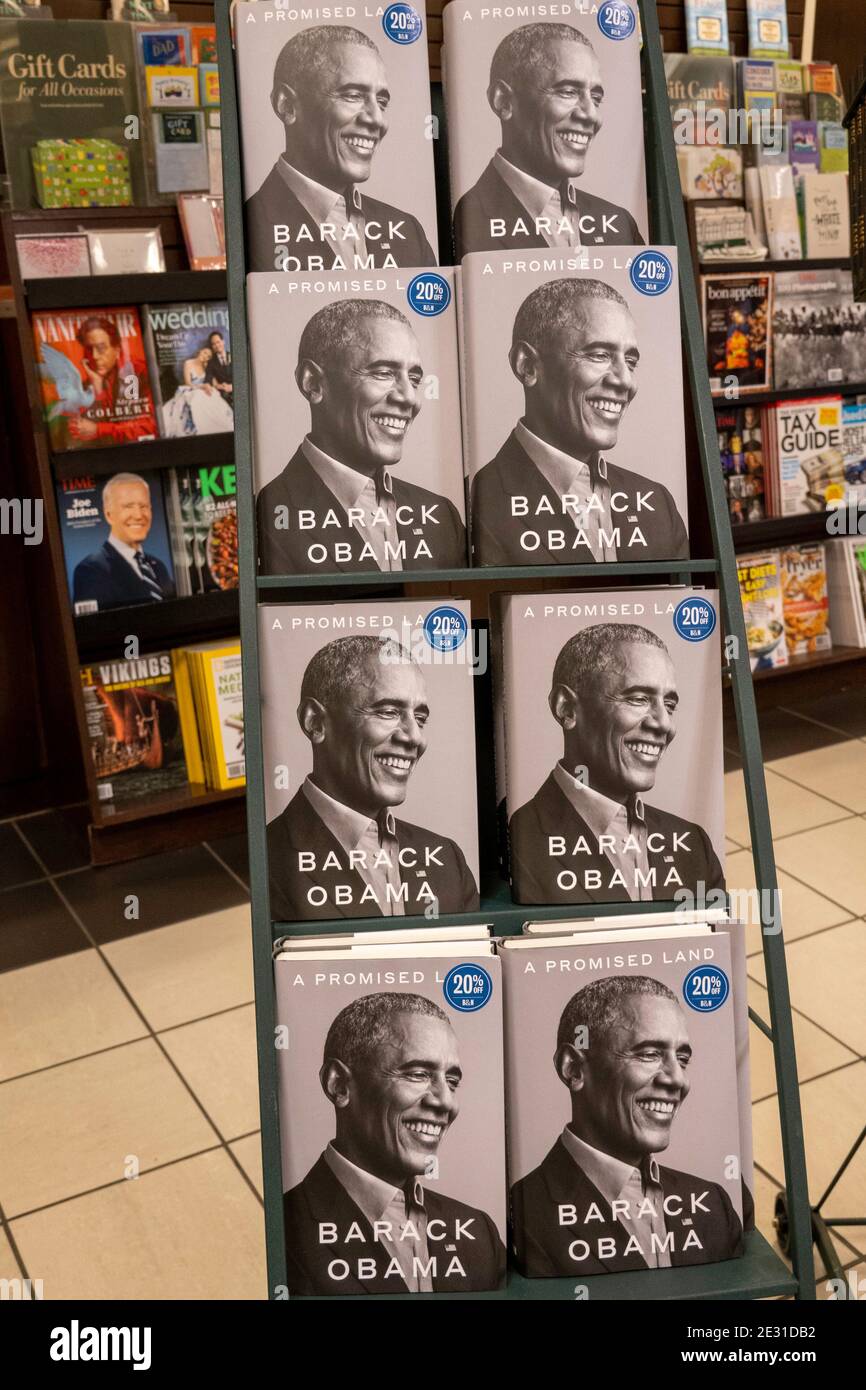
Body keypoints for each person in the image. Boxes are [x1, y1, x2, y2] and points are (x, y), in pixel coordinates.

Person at [511, 976, 743, 1275]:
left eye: (682, 1059)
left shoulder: (714, 1201)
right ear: (574, 1069)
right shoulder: (521, 1216)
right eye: (649, 1054)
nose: (678, 1079)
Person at [284, 992, 506, 1294]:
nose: (446, 1102)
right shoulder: (285, 1233)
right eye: (417, 1074)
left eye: (452, 1082)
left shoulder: (479, 1231)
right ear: (339, 1085)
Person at [471, 279, 688, 565]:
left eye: (631, 362)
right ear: (527, 366)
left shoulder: (657, 504)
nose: (625, 381)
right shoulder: (475, 504)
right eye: (599, 355)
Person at [508, 623, 725, 904]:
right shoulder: (517, 841)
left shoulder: (692, 841)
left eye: (669, 705)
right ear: (567, 708)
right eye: (638, 699)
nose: (664, 724)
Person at [267, 634, 479, 920]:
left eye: (420, 719)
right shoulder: (268, 862)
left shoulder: (447, 858)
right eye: (389, 712)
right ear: (315, 722)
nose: (415, 737)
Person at [257, 300, 467, 574]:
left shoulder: (442, 515)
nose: (409, 398)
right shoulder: (264, 519)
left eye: (414, 379)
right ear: (313, 383)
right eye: (383, 373)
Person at [245, 25, 435, 272]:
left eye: (382, 102)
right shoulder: (246, 230)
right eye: (353, 95)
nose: (377, 120)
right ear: (287, 105)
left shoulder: (408, 232)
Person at [453, 22, 644, 259]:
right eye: (568, 92)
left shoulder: (620, 223)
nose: (591, 115)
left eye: (596, 98)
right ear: (503, 101)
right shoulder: (465, 220)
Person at [72, 472, 175, 611]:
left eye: (144, 506)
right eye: (128, 506)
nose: (139, 515)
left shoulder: (158, 567)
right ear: (109, 515)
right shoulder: (90, 570)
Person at [66, 316, 155, 447]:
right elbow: (78, 432)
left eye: (101, 348)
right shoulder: (89, 383)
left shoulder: (139, 372)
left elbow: (149, 426)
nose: (95, 356)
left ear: (117, 351)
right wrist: (98, 389)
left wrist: (99, 429)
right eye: (89, 349)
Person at [160, 344, 235, 437]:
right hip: (191, 389)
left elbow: (213, 383)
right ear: (200, 351)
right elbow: (188, 383)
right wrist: (202, 386)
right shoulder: (188, 363)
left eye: (208, 356)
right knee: (197, 397)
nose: (205, 356)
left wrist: (221, 386)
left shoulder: (206, 366)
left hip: (204, 390)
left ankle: (212, 425)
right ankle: (197, 426)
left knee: (213, 395)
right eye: (204, 353)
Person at [203, 330, 233, 408]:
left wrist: (232, 387)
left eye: (218, 342)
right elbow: (207, 379)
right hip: (223, 393)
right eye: (213, 344)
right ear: (212, 347)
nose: (216, 345)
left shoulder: (234, 356)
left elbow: (242, 376)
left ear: (223, 342)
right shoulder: (211, 362)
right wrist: (211, 386)